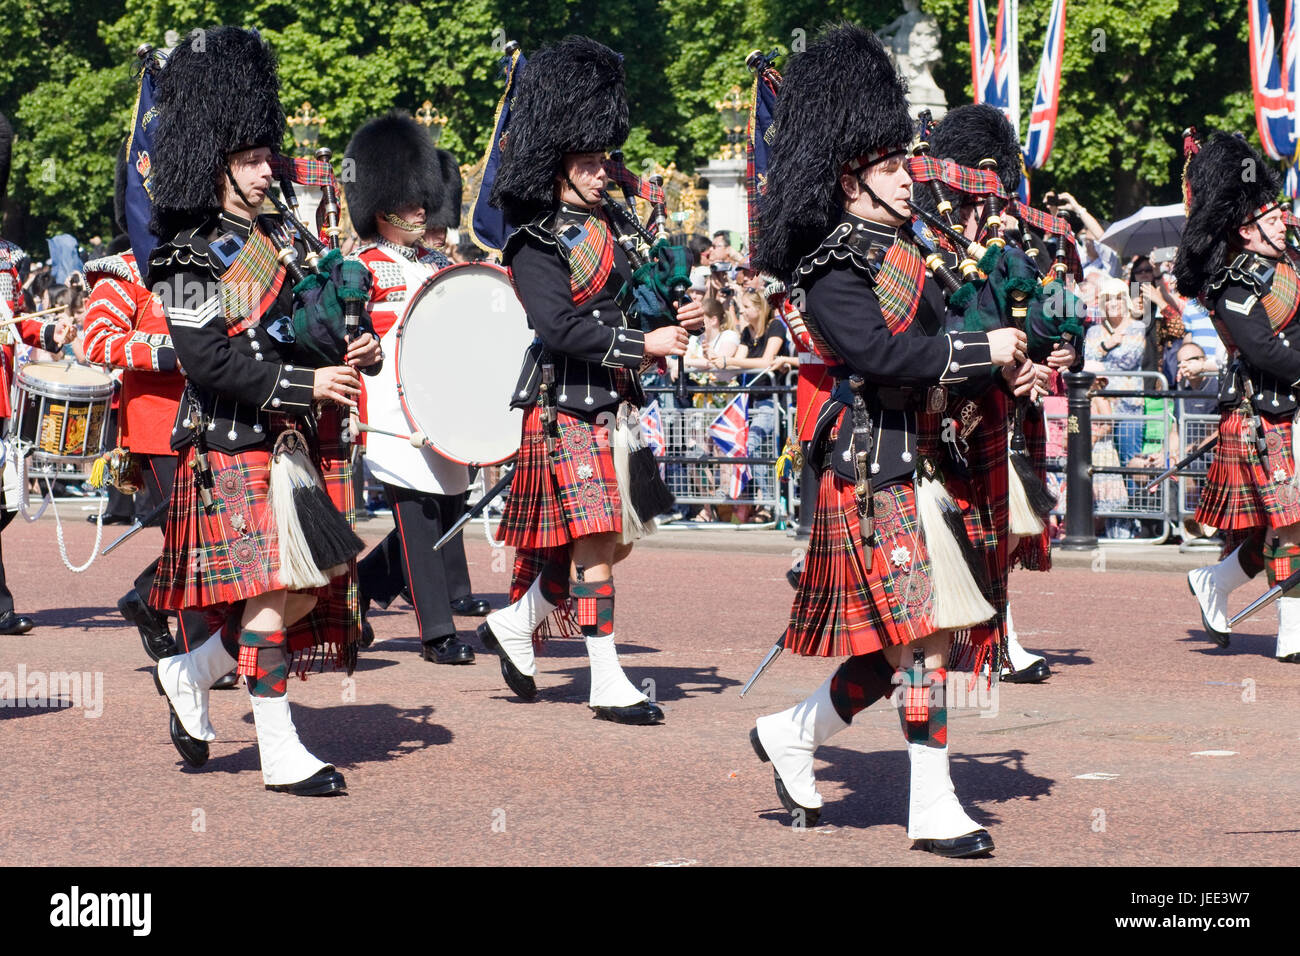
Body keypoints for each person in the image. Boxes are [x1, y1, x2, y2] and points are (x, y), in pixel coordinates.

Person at [749, 23, 1025, 858]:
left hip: (918, 467)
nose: (911, 178)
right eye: (895, 167)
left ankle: (794, 729)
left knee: (906, 644)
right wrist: (980, 350)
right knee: (925, 643)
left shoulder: (911, 250)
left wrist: (1008, 366)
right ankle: (932, 805)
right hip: (870, 467)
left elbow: (935, 359)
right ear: (851, 178)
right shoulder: (832, 266)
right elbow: (877, 355)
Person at [147, 26, 381, 794]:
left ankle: (189, 670)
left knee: (309, 585)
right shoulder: (181, 255)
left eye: (263, 156)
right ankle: (281, 753)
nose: (264, 169)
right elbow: (207, 360)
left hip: (291, 440)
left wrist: (355, 351)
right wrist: (302, 386)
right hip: (229, 440)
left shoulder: (287, 239)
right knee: (277, 597)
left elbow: (311, 326)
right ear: (215, 161)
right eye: (248, 159)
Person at [481, 35, 697, 724]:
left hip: (614, 403)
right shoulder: (535, 241)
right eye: (589, 163)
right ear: (557, 167)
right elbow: (561, 329)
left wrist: (672, 316)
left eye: (603, 160)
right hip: (566, 403)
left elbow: (622, 308)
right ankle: (606, 678)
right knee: (600, 542)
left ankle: (519, 621)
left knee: (615, 539)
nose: (604, 172)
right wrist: (643, 342)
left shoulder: (612, 228)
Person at [345, 112, 484, 666]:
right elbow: (349, 333)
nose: (421, 209)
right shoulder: (361, 266)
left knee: (447, 509)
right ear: (381, 209)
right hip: (391, 407)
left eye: (421, 199)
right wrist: (364, 345)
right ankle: (437, 633)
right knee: (418, 514)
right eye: (408, 203)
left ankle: (357, 588)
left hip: (444, 404)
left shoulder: (438, 262)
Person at [83, 153, 216, 665]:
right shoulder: (125, 269)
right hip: (158, 426)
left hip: (215, 417)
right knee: (186, 532)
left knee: (212, 528)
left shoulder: (210, 258)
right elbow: (98, 341)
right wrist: (174, 355)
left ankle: (145, 597)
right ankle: (195, 647)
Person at [1176, 132, 1300, 663]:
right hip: (1265, 411)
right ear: (1246, 230)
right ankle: (1292, 632)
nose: (1283, 221)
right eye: (1273, 216)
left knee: (1281, 525)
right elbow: (1266, 352)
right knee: (1291, 522)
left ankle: (1216, 580)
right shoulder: (1232, 285)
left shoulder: (1291, 260)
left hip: (1290, 406)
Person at [0, 110, 77, 635]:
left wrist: (53, 335)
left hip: (1, 396)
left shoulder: (6, 257)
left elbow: (21, 322)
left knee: (5, 498)